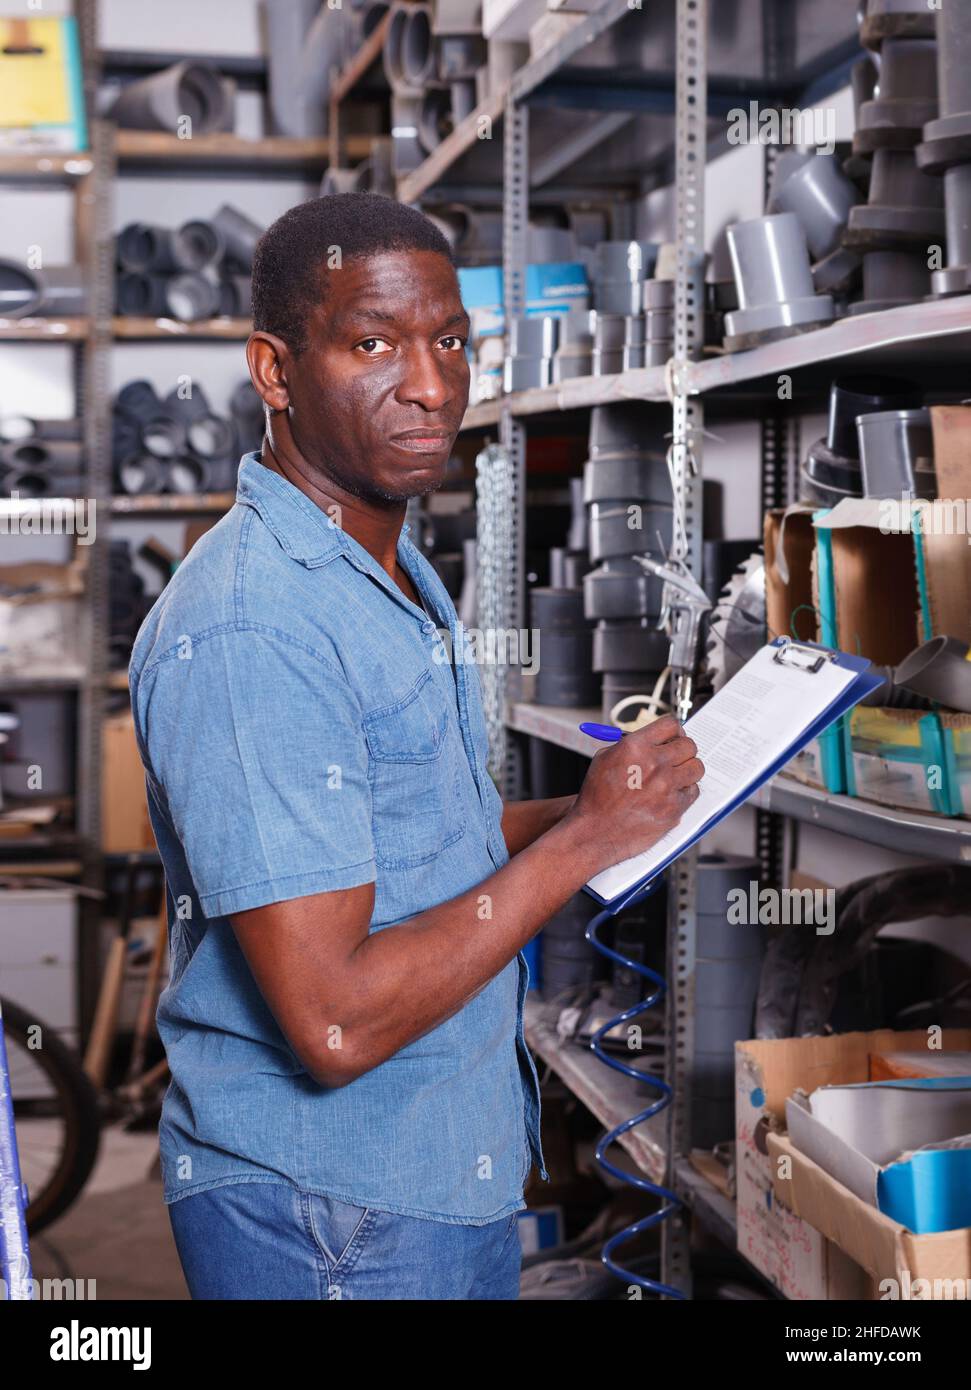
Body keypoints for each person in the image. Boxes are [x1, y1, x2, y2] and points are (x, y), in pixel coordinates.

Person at [130, 193, 704, 1300]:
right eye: (371, 343)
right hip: (332, 1217)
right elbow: (334, 1020)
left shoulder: (384, 572)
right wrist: (580, 842)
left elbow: (394, 841)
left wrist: (604, 808)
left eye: (448, 340)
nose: (432, 384)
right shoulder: (254, 623)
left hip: (422, 1179)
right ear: (274, 369)